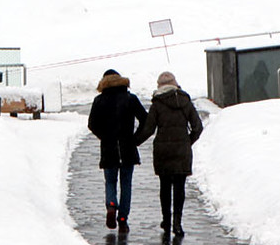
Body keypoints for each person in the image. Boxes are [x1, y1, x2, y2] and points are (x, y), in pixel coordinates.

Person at [87, 68, 148, 232]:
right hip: (128, 148)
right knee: (126, 184)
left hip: (109, 149)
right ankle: (122, 218)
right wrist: (135, 139)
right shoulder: (130, 98)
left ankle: (111, 205)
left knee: (111, 181)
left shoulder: (99, 100)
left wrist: (104, 137)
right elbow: (145, 120)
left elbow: (92, 124)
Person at [145, 70, 203, 236]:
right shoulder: (185, 101)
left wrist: (132, 143)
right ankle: (178, 222)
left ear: (159, 86)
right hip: (181, 151)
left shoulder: (157, 104)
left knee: (165, 187)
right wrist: (187, 142)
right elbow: (197, 127)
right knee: (179, 187)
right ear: (175, 84)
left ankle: (166, 220)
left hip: (163, 151)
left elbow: (149, 129)